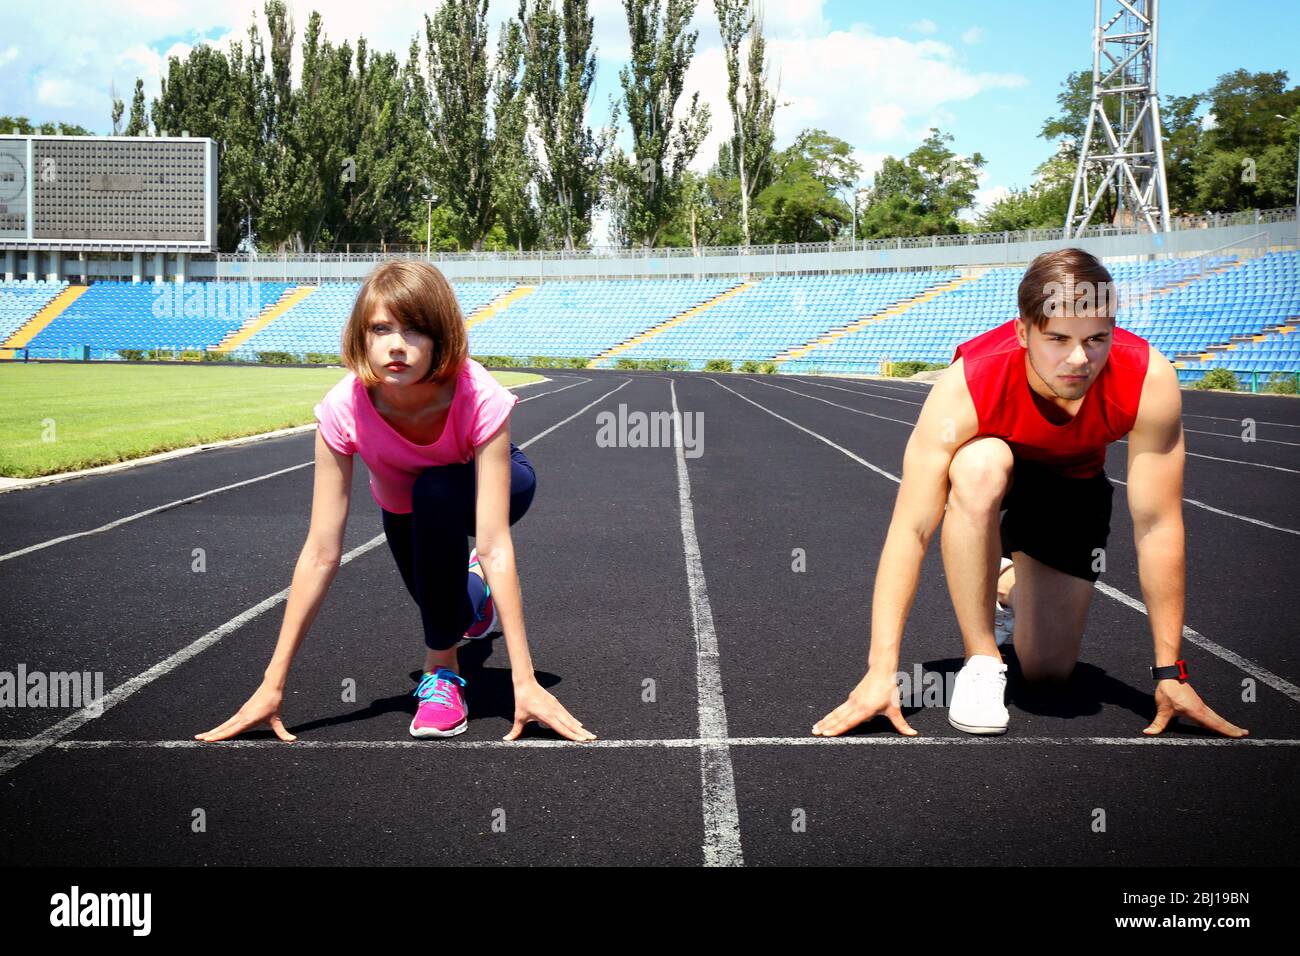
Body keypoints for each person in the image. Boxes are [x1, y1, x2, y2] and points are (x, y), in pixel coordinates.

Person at [812, 247, 1248, 739]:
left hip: (1071, 487)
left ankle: (1004, 583)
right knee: (979, 465)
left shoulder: (1149, 378)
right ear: (1023, 332)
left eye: (1097, 339)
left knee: (1048, 672)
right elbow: (911, 527)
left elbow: (1158, 525)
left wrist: (1170, 673)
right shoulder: (971, 381)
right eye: (1057, 338)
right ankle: (982, 660)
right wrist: (880, 670)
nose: (1079, 359)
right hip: (992, 472)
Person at [196, 260, 596, 743]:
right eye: (380, 328)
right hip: (410, 510)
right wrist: (270, 684)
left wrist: (524, 682)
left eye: (414, 329)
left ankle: (442, 676)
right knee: (446, 611)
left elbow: (492, 544)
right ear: (362, 338)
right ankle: (474, 599)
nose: (396, 344)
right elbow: (321, 551)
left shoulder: (477, 394)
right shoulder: (343, 410)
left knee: (436, 492)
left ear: (441, 336)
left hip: (500, 485)